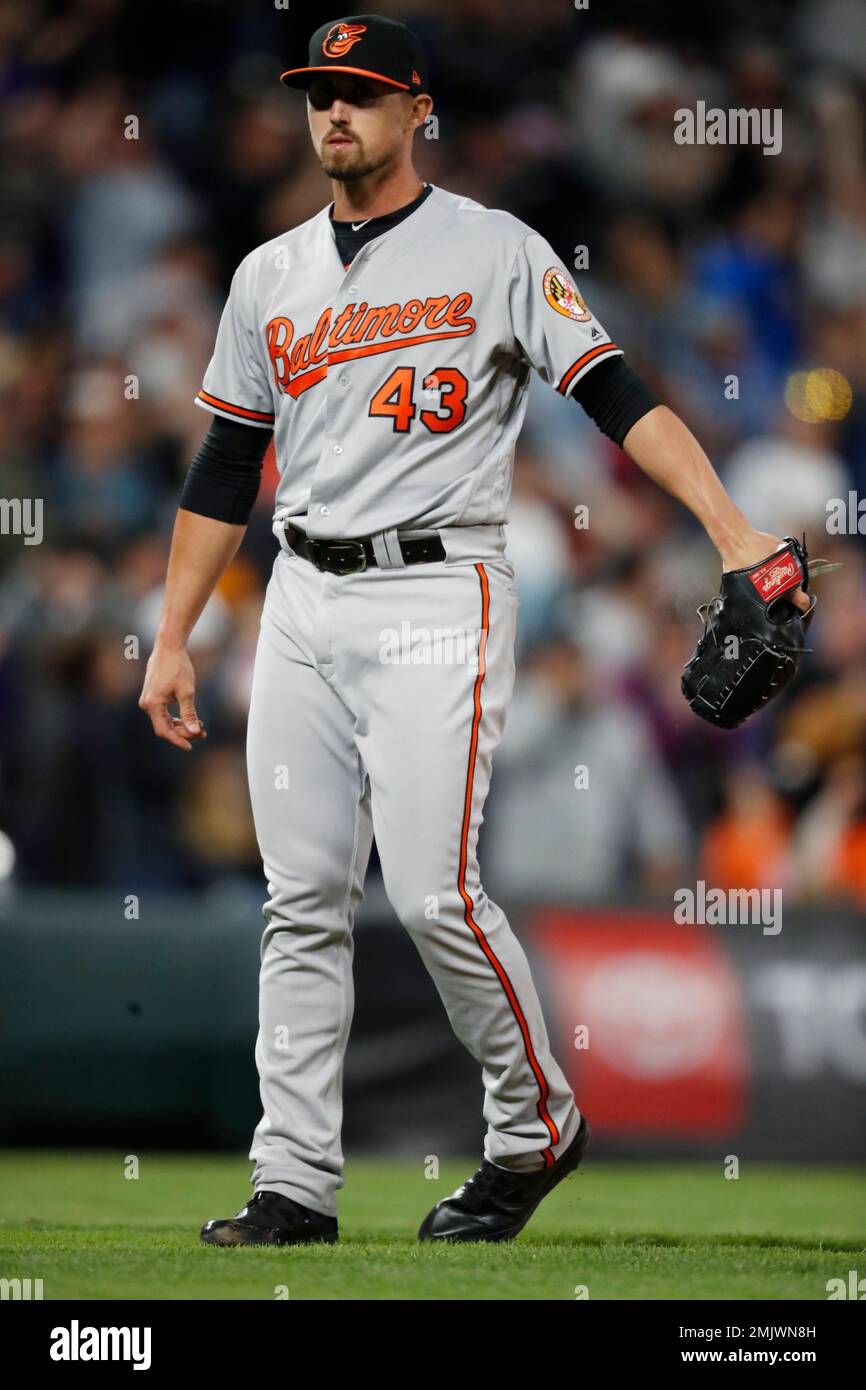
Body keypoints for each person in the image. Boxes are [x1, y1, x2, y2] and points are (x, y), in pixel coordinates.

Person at [138, 14, 807, 1246]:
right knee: (300, 902)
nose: (332, 113)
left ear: (415, 111)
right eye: (316, 94)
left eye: (359, 93)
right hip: (299, 595)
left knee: (438, 893)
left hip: (439, 591)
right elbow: (226, 467)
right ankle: (292, 1182)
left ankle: (532, 1126)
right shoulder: (265, 275)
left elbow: (612, 388)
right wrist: (172, 634)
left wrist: (728, 531)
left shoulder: (492, 247)